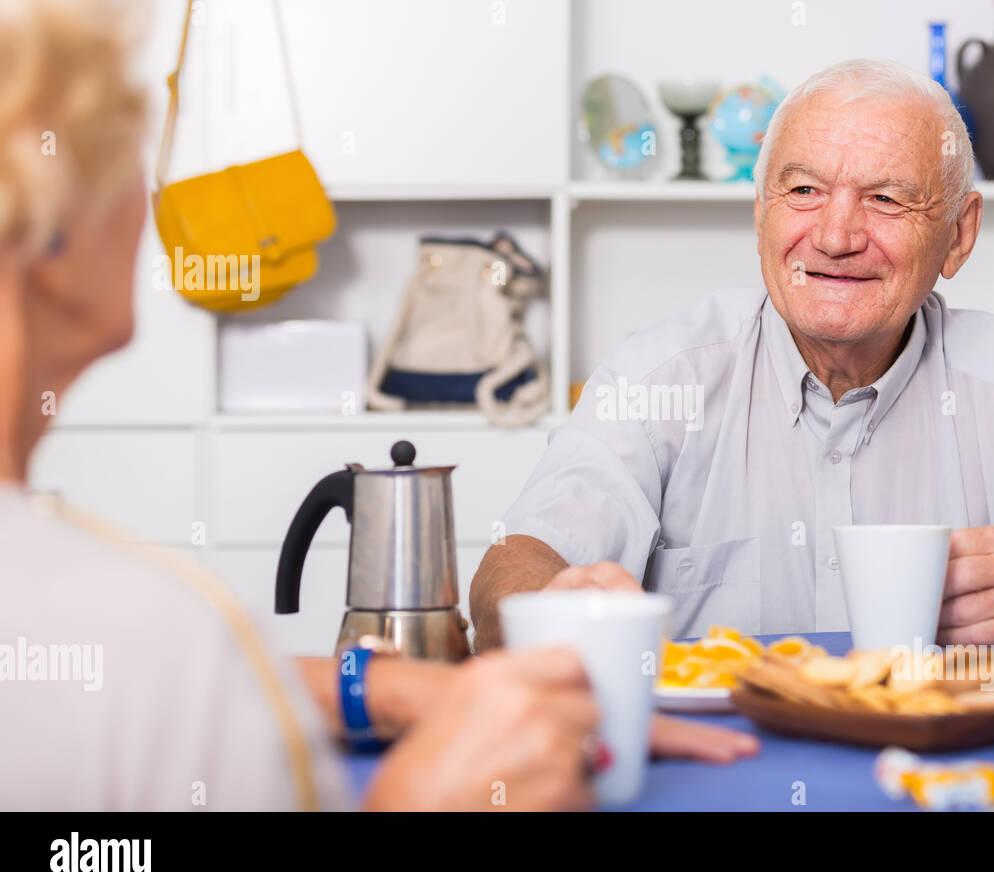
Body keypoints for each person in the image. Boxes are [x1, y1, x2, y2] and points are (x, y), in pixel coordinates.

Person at [0, 0, 754, 813]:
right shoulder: (157, 631)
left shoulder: (126, 643)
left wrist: (394, 692)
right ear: (49, 238)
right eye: (128, 156)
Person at [470, 58, 994, 652]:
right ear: (760, 209)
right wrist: (551, 616)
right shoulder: (656, 380)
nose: (836, 236)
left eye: (887, 198)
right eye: (803, 190)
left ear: (959, 236)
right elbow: (517, 563)